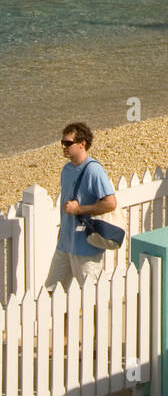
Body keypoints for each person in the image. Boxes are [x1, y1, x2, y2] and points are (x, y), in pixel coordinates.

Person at [44, 123, 117, 291]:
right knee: (51, 292)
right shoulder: (67, 170)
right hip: (65, 244)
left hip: (86, 246)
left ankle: (98, 319)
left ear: (82, 144)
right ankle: (63, 319)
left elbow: (110, 203)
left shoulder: (94, 171)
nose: (63, 146)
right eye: (62, 142)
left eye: (68, 143)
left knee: (91, 295)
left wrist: (78, 210)